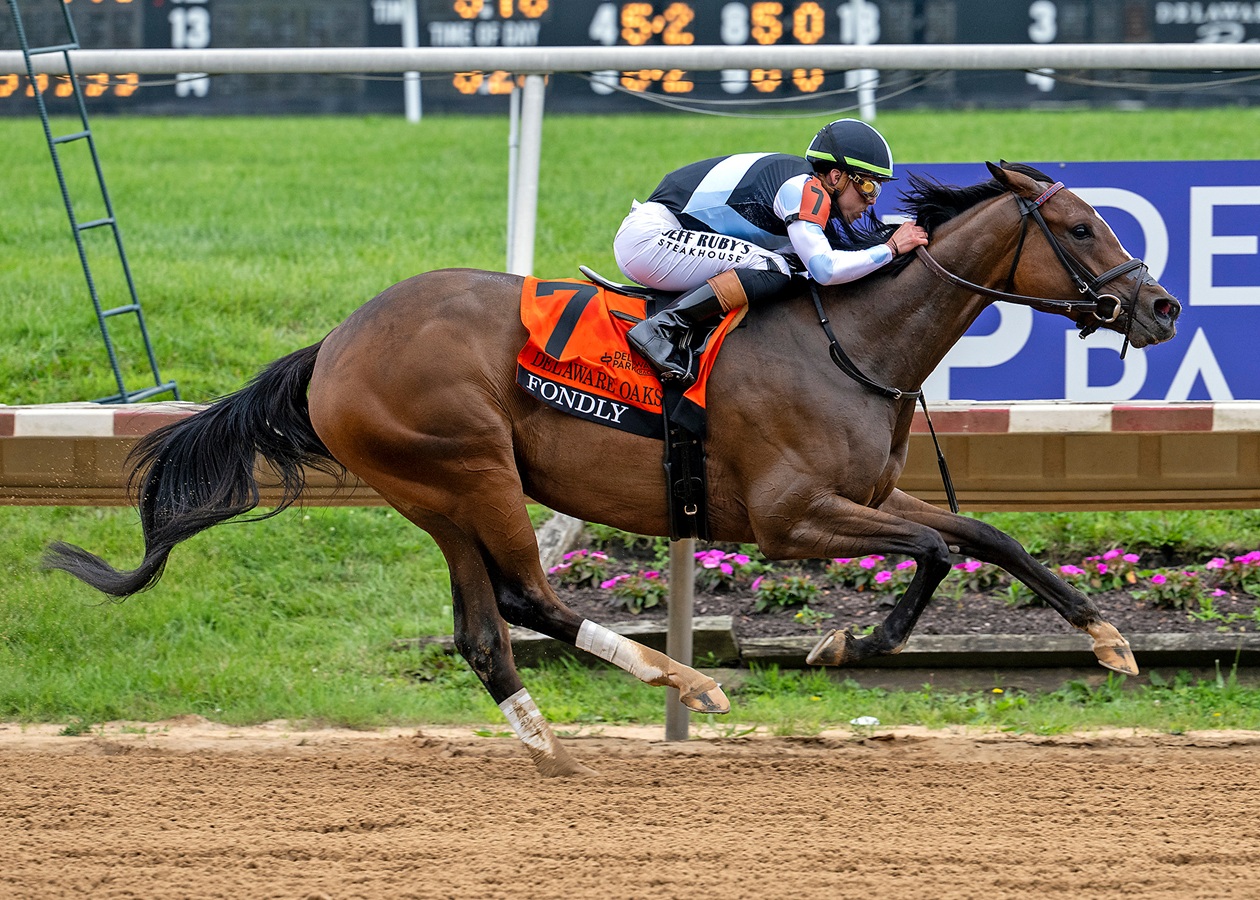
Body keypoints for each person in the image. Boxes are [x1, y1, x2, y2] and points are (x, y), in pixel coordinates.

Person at [614, 118, 929, 384]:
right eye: (869, 186)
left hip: (662, 236)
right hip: (651, 238)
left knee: (788, 265)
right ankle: (661, 328)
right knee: (774, 266)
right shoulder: (805, 189)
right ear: (837, 176)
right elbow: (826, 269)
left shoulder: (807, 189)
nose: (873, 201)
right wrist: (890, 248)